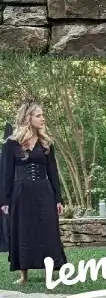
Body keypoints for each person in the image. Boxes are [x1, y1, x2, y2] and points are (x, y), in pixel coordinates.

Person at [1, 102, 66, 285]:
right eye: (38, 115)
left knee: (47, 230)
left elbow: (53, 173)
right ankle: (23, 275)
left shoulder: (46, 143)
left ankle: (50, 273)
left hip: (44, 191)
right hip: (21, 193)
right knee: (22, 230)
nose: (43, 118)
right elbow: (6, 174)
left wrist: (58, 199)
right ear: (28, 118)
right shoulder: (11, 143)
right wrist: (5, 200)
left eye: (42, 115)